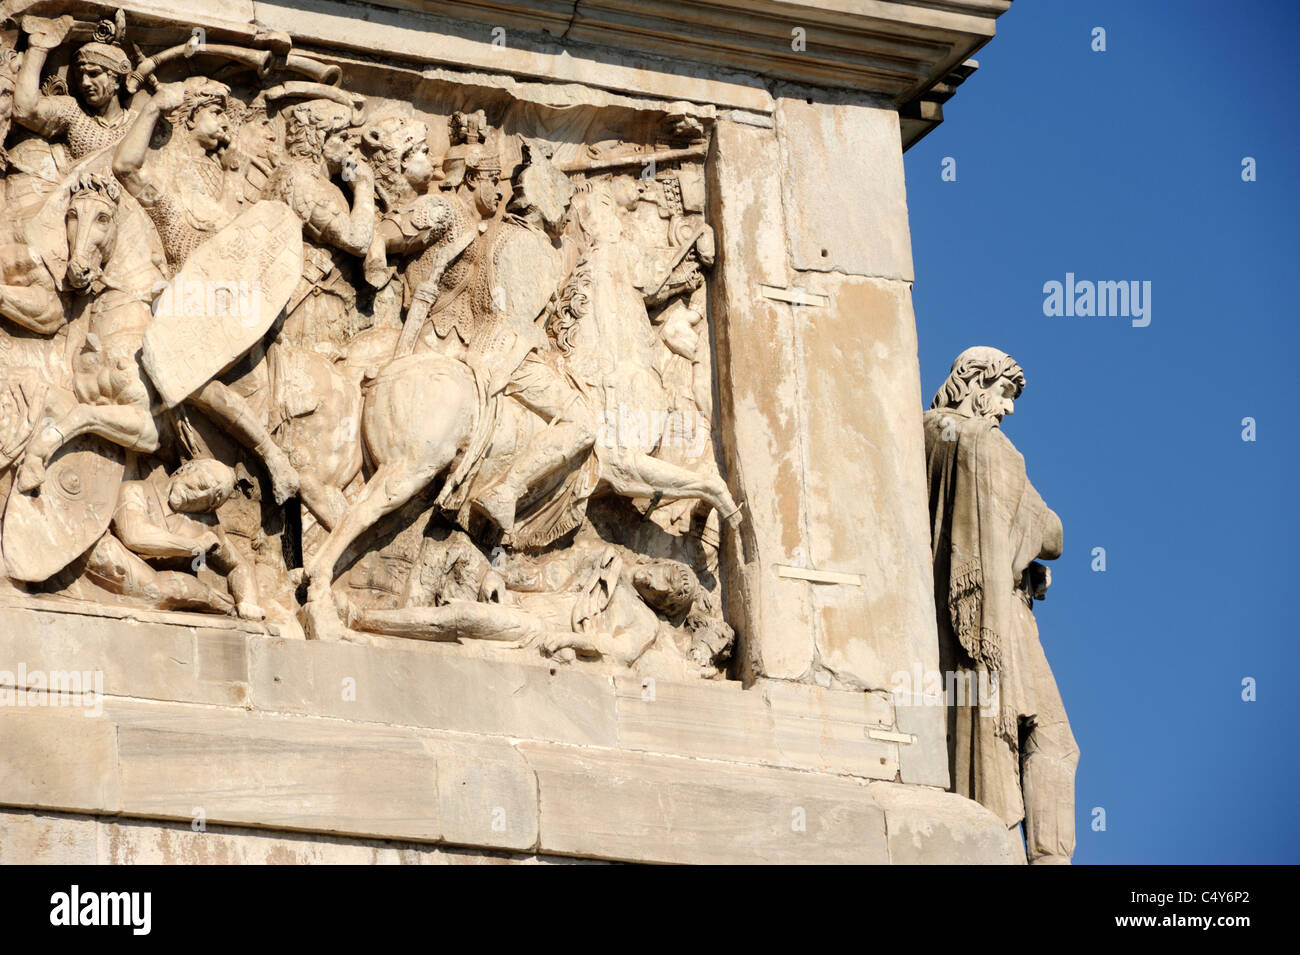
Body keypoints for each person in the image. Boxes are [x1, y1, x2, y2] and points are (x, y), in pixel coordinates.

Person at [923, 345, 1079, 864]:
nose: (1008, 409)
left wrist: (1022, 539)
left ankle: (1051, 856)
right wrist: (1023, 535)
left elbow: (1054, 530)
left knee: (1056, 744)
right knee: (1001, 737)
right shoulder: (938, 432)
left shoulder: (995, 449)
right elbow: (1037, 519)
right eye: (1004, 393)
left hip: (1010, 612)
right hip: (971, 611)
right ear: (973, 382)